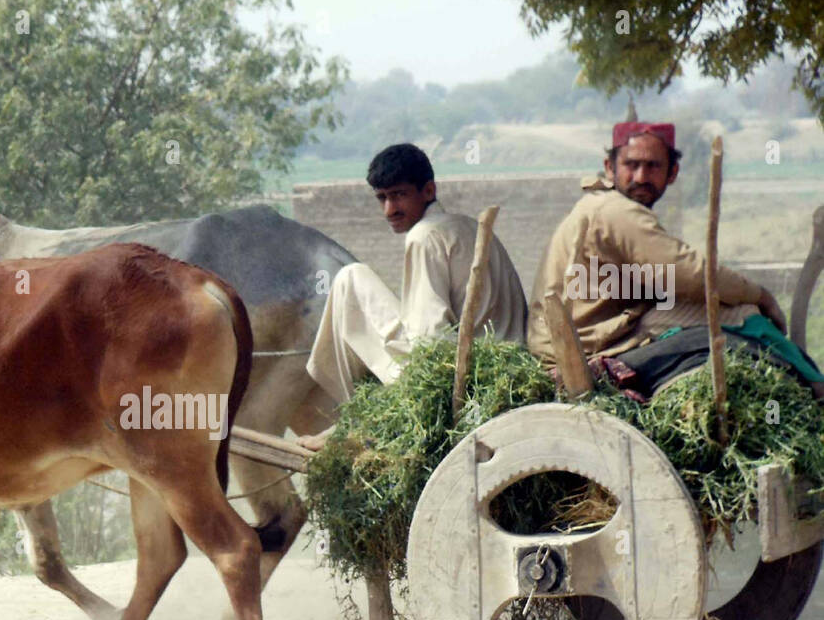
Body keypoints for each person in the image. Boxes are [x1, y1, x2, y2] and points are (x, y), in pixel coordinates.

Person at [298, 143, 527, 450]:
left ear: (428, 191)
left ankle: (360, 415)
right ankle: (357, 415)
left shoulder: (425, 236)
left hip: (461, 375)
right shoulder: (467, 225)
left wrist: (402, 394)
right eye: (382, 198)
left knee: (349, 279)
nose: (389, 210)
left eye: (399, 195)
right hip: (504, 362)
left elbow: (429, 340)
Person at [526, 120, 786, 364]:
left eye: (653, 166)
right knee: (744, 313)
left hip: (580, 334)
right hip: (580, 345)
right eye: (631, 165)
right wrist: (761, 296)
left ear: (672, 173)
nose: (641, 177)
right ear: (609, 167)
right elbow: (688, 273)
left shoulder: (602, 205)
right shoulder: (615, 210)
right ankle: (812, 384)